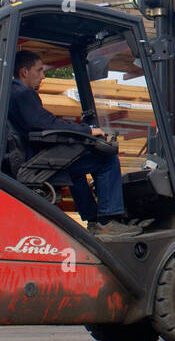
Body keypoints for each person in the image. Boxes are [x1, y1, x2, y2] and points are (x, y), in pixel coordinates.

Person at [8, 49, 140, 236]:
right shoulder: (23, 94)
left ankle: (93, 220)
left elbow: (42, 124)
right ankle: (108, 220)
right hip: (37, 160)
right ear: (24, 72)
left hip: (32, 155)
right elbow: (47, 125)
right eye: (39, 70)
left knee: (76, 172)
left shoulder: (10, 93)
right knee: (107, 160)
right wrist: (87, 132)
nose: (43, 76)